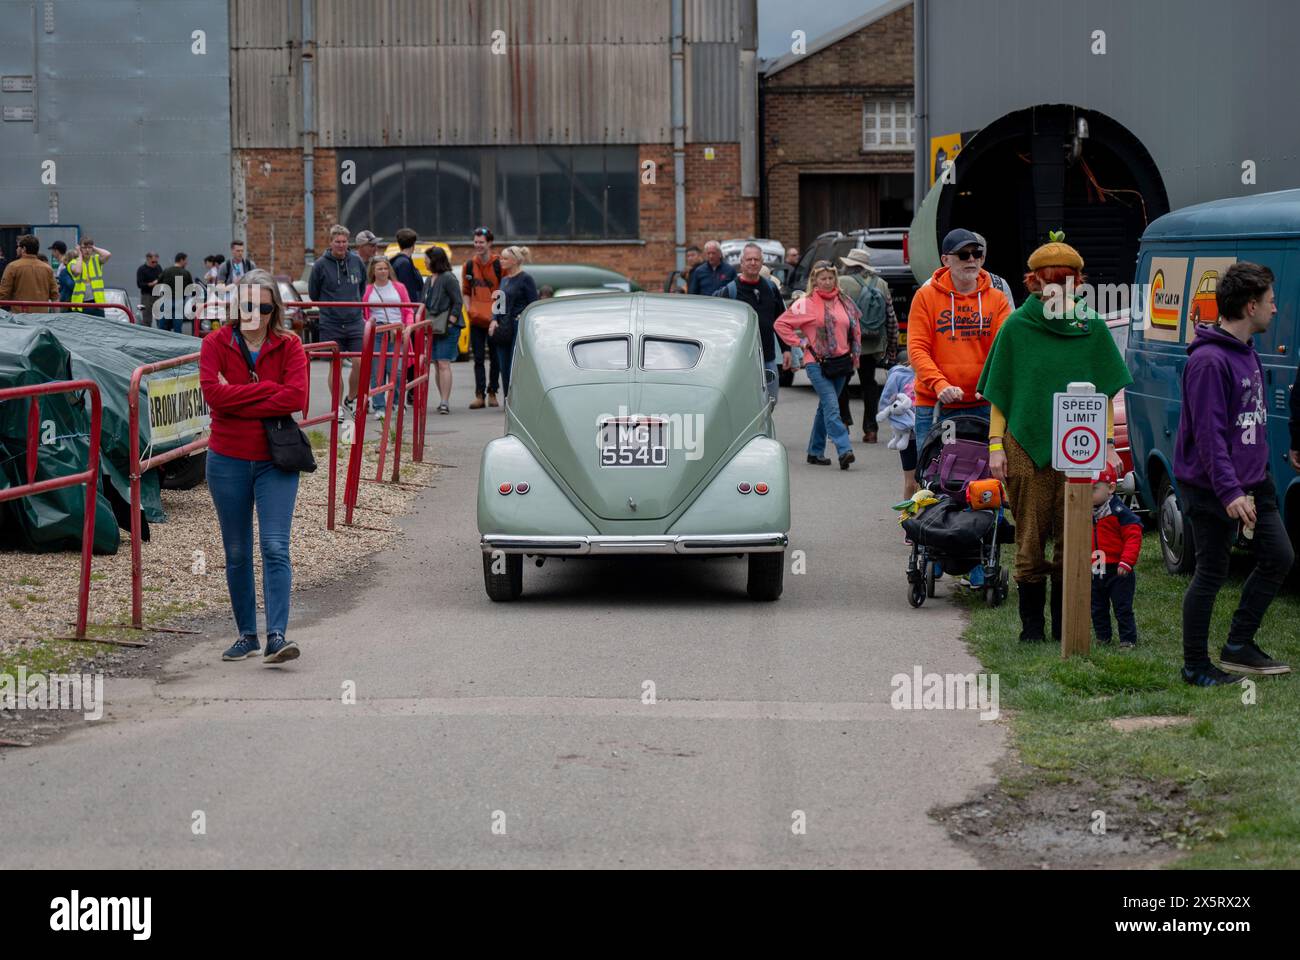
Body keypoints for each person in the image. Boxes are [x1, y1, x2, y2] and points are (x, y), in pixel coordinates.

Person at [978, 231, 1130, 644]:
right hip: (1023, 448)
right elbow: (1002, 393)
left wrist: (1110, 447)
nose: (1058, 288)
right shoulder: (1016, 327)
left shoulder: (1092, 328)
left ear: (1078, 283)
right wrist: (995, 445)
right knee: (1029, 539)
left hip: (1078, 451)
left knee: (1074, 539)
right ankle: (1032, 630)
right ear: (1034, 282)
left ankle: (1067, 625)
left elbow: (1102, 394)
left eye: (1066, 281)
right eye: (1050, 280)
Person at [1174, 261, 1292, 683]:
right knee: (1211, 572)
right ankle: (1195, 666)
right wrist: (1229, 493)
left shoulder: (1247, 353)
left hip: (1254, 483)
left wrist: (1256, 477)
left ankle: (1239, 644)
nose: (1274, 310)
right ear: (1249, 306)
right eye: (1270, 303)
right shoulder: (1208, 362)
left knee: (1279, 556)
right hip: (1212, 488)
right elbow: (1209, 437)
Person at [197, 269, 308, 665]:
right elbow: (214, 397)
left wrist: (237, 393)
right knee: (238, 550)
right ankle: (247, 635)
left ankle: (277, 635)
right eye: (247, 306)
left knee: (275, 546)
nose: (255, 314)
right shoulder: (214, 343)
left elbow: (295, 397)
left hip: (275, 460)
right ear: (235, 305)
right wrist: (266, 392)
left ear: (273, 309)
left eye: (263, 307)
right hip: (226, 458)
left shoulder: (290, 345)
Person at [907, 228, 1011, 445]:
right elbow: (917, 349)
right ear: (946, 260)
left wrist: (992, 383)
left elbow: (1005, 349)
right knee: (933, 475)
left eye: (977, 254)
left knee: (985, 476)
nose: (971, 260)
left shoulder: (997, 299)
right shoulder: (925, 297)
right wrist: (940, 385)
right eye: (963, 255)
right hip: (935, 404)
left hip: (984, 404)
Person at [775, 260, 862, 470]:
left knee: (825, 408)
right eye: (823, 278)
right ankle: (844, 449)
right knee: (832, 407)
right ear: (815, 280)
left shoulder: (844, 301)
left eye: (831, 278)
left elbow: (855, 327)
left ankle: (815, 452)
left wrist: (855, 355)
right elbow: (780, 324)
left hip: (841, 362)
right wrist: (800, 342)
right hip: (816, 363)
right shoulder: (806, 303)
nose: (827, 282)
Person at [837, 247, 899, 441]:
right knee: (869, 384)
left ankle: (844, 422)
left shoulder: (841, 283)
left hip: (846, 344)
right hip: (872, 344)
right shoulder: (881, 283)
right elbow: (891, 318)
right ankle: (871, 429)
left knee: (841, 383)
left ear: (849, 265)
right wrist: (891, 346)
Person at [308, 225, 367, 422]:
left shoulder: (357, 261)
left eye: (344, 242)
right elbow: (313, 293)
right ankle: (337, 405)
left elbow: (362, 285)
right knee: (336, 364)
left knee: (359, 361)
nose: (341, 245)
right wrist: (328, 309)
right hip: (331, 321)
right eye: (337, 242)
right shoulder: (320, 265)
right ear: (331, 242)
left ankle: (351, 398)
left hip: (355, 320)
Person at [714, 242, 784, 405]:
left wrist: (787, 350)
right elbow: (719, 326)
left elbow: (781, 320)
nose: (753, 263)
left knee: (770, 403)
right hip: (741, 361)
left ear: (762, 262)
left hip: (768, 358)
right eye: (749, 259)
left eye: (757, 259)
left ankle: (763, 431)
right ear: (742, 263)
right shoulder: (730, 291)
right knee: (744, 405)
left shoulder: (771, 288)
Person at [1090, 465, 1142, 649]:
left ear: (1111, 489)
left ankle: (1127, 639)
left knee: (1122, 606)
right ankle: (1102, 637)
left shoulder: (1119, 512)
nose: (1088, 494)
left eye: (1094, 489)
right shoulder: (1085, 512)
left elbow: (1133, 535)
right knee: (1097, 607)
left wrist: (1127, 561)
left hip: (1118, 569)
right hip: (1096, 567)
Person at [361, 255, 415, 421]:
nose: (383, 271)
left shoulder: (399, 287)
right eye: (379, 269)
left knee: (396, 371)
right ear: (373, 271)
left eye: (385, 268)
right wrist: (367, 326)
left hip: (396, 332)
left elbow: (408, 310)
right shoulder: (369, 289)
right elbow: (364, 312)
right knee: (377, 372)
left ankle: (397, 403)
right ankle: (379, 406)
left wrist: (408, 326)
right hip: (377, 332)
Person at [462, 226, 502, 409]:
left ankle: (493, 391)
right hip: (477, 319)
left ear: (489, 243)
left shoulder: (498, 265)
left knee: (495, 358)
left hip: (494, 319)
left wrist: (498, 316)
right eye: (476, 242)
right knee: (478, 358)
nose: (478, 245)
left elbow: (503, 291)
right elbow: (466, 291)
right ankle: (480, 395)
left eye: (481, 242)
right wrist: (469, 310)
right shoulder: (469, 265)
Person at [490, 245, 538, 399]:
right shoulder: (504, 280)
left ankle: (516, 400)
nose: (501, 261)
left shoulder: (526, 279)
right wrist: (493, 320)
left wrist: (523, 319)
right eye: (501, 258)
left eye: (505, 258)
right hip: (503, 327)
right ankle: (507, 398)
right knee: (503, 365)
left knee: (514, 364)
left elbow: (533, 305)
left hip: (518, 326)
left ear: (515, 261)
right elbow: (499, 302)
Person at [423, 245, 464, 416]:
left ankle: (445, 401)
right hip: (433, 327)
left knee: (443, 363)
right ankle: (442, 399)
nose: (425, 261)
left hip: (447, 327)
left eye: (427, 258)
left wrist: (451, 322)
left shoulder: (449, 278)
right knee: (436, 364)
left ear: (435, 260)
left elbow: (458, 301)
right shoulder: (428, 279)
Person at [878, 357, 917, 498]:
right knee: (911, 482)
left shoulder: (933, 374)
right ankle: (907, 516)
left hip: (930, 434)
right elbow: (885, 405)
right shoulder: (898, 376)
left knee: (926, 482)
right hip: (908, 436)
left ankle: (925, 516)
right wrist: (902, 423)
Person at [0, 235, 59, 311]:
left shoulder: (12, 267)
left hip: (19, 317)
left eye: (18, 247)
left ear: (23, 249)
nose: (17, 249)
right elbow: (55, 297)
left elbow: (3, 295)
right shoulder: (48, 269)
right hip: (42, 317)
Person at [68, 236, 112, 317]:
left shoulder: (96, 260)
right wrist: (80, 255)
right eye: (84, 248)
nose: (87, 250)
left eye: (89, 247)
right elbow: (77, 271)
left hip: (97, 304)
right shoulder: (73, 262)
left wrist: (94, 248)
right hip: (81, 304)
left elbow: (108, 254)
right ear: (79, 249)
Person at [153, 253, 193, 333]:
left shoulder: (167, 270)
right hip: (179, 301)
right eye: (185, 260)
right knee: (177, 327)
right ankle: (177, 342)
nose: (186, 262)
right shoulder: (186, 273)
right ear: (181, 260)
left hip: (166, 299)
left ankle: (161, 341)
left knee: (163, 326)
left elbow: (158, 283)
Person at [389, 229, 423, 308]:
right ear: (413, 245)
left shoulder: (398, 261)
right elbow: (408, 289)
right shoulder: (404, 263)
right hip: (409, 308)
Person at [136, 251, 163, 327]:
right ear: (148, 259)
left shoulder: (158, 267)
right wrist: (151, 284)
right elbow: (139, 284)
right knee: (147, 319)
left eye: (156, 262)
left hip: (158, 295)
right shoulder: (141, 269)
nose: (155, 264)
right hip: (146, 296)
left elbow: (162, 277)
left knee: (160, 318)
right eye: (153, 262)